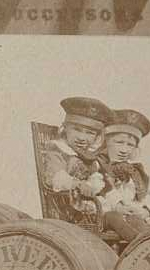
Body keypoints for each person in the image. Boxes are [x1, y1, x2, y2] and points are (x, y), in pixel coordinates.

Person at [41, 96, 114, 226]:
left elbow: (95, 178)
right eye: (76, 129)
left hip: (89, 205)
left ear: (97, 137)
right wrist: (78, 184)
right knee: (116, 220)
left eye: (90, 133)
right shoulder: (58, 150)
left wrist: (96, 185)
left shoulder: (89, 157)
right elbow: (55, 176)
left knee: (120, 216)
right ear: (65, 128)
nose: (82, 138)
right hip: (68, 209)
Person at [98, 108, 150, 243]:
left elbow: (148, 193)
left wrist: (145, 210)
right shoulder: (99, 165)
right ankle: (141, 244)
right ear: (106, 142)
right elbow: (103, 192)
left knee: (141, 222)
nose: (124, 150)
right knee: (128, 222)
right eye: (119, 142)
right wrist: (119, 207)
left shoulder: (135, 170)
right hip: (108, 214)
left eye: (130, 145)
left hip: (133, 213)